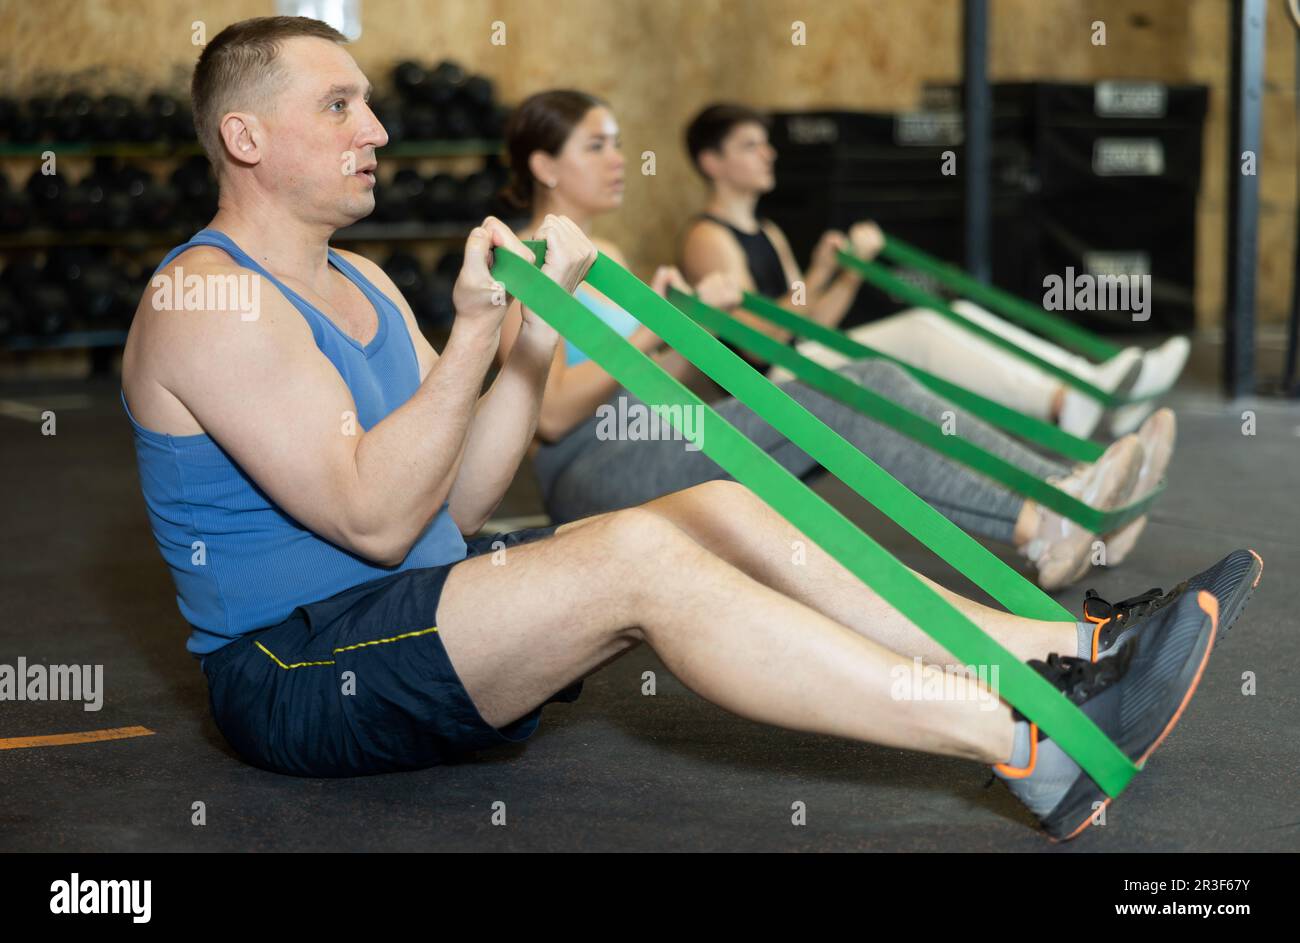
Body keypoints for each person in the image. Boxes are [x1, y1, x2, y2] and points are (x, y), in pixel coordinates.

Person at [119, 17, 1258, 843]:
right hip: (299, 670)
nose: (374, 126)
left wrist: (521, 333)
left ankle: (1059, 652)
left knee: (720, 504)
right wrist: (475, 334)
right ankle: (1030, 744)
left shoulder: (360, 281)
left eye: (368, 100)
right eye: (336, 105)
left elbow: (456, 504)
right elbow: (374, 518)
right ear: (246, 136)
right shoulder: (203, 304)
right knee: (639, 555)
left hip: (414, 612)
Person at [497, 89, 1170, 589]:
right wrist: (655, 327)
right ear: (545, 166)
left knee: (871, 378)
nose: (619, 160)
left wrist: (684, 329)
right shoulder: (524, 262)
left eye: (618, 142)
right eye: (598, 145)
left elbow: (660, 371)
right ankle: (1041, 524)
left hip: (664, 428)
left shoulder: (605, 251)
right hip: (593, 468)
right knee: (842, 395)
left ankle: (1065, 494)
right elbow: (550, 413)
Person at [678, 103, 1191, 439]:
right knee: (923, 331)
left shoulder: (769, 231)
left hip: (805, 355)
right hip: (768, 390)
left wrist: (851, 272)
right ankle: (1065, 402)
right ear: (711, 162)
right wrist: (818, 273)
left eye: (765, 142)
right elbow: (753, 345)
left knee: (959, 310)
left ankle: (1091, 383)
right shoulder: (708, 238)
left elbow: (812, 322)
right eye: (749, 145)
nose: (768, 153)